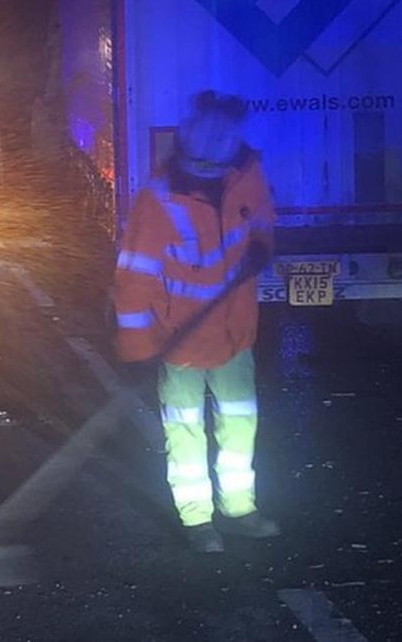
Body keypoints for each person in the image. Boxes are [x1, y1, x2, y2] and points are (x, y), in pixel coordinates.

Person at [112, 90, 279, 553]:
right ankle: (197, 520)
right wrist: (138, 348)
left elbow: (262, 220)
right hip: (178, 340)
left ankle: (240, 509)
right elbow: (134, 279)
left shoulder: (246, 176)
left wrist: (262, 247)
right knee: (185, 430)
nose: (208, 171)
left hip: (234, 333)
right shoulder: (158, 201)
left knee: (239, 424)